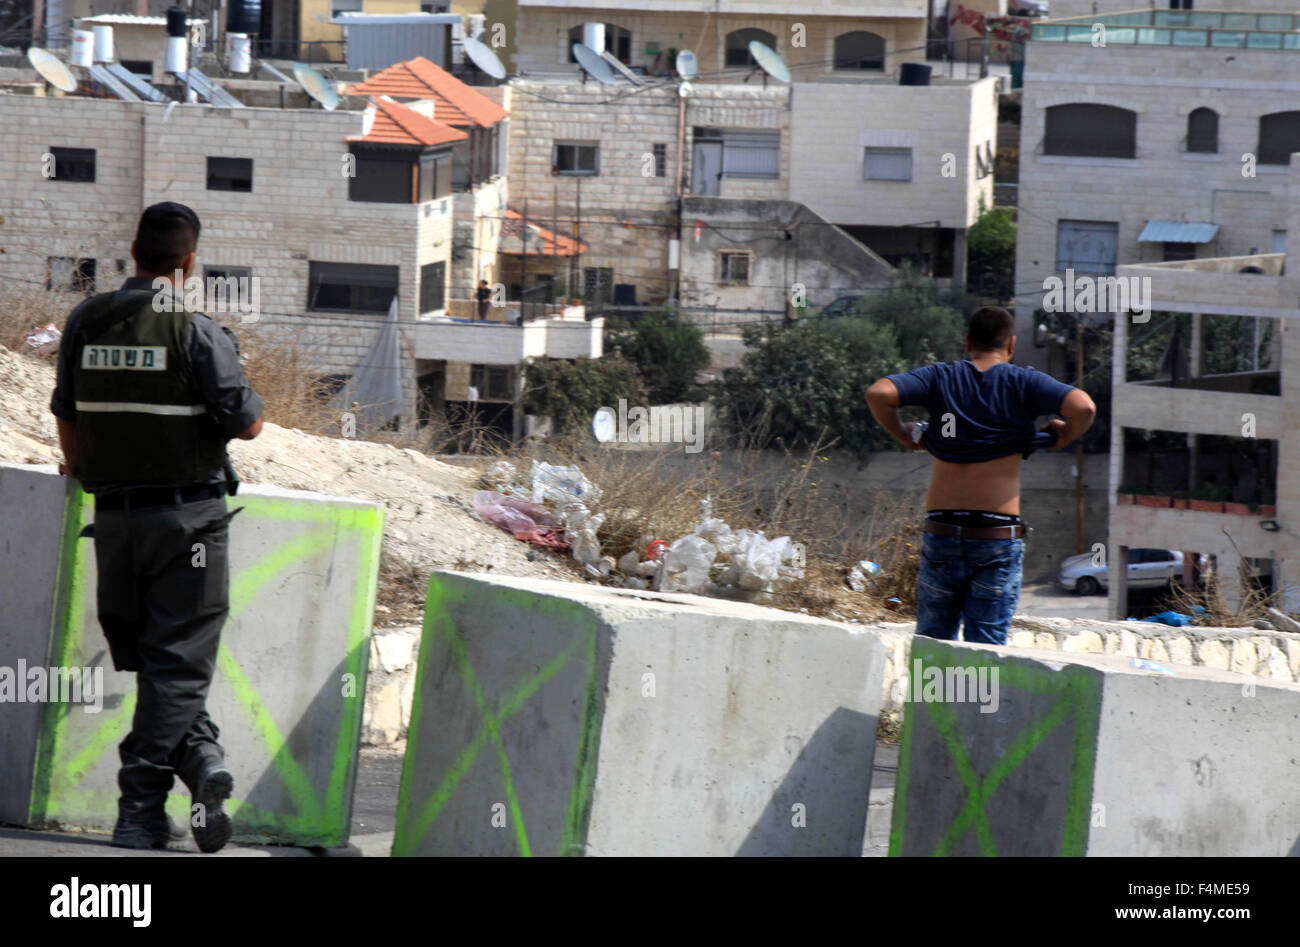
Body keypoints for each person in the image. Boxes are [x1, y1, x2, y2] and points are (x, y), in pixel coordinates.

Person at [49, 201, 265, 852]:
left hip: (114, 522)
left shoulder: (88, 318)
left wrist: (79, 464)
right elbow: (247, 422)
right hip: (188, 523)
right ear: (188, 263)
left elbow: (67, 410)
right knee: (178, 666)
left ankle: (201, 762)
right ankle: (139, 808)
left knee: (157, 662)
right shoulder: (196, 330)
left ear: (134, 252)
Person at [865, 306, 1096, 644]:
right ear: (1012, 345)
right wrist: (1063, 436)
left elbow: (879, 394)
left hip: (942, 532)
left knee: (933, 644)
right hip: (995, 538)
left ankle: (932, 699)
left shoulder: (939, 378)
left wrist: (902, 433)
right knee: (985, 652)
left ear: (967, 341)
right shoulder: (1023, 382)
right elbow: (1085, 407)